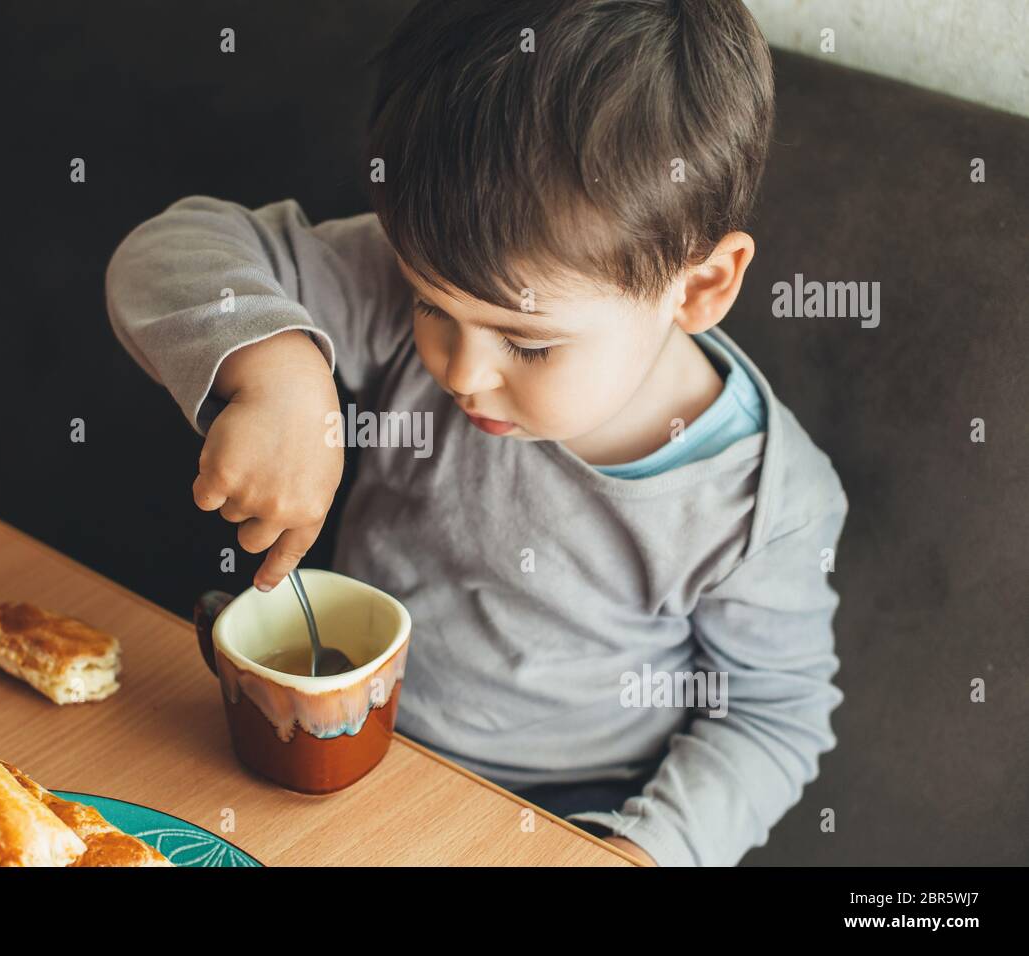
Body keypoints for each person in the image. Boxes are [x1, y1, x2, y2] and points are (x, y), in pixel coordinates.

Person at [105, 0, 848, 866]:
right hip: (340, 756)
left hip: (561, 823)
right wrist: (278, 369)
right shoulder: (436, 279)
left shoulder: (761, 506)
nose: (457, 369)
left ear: (700, 287)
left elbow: (771, 719)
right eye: (428, 303)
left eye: (528, 342)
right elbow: (167, 252)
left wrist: (641, 852)